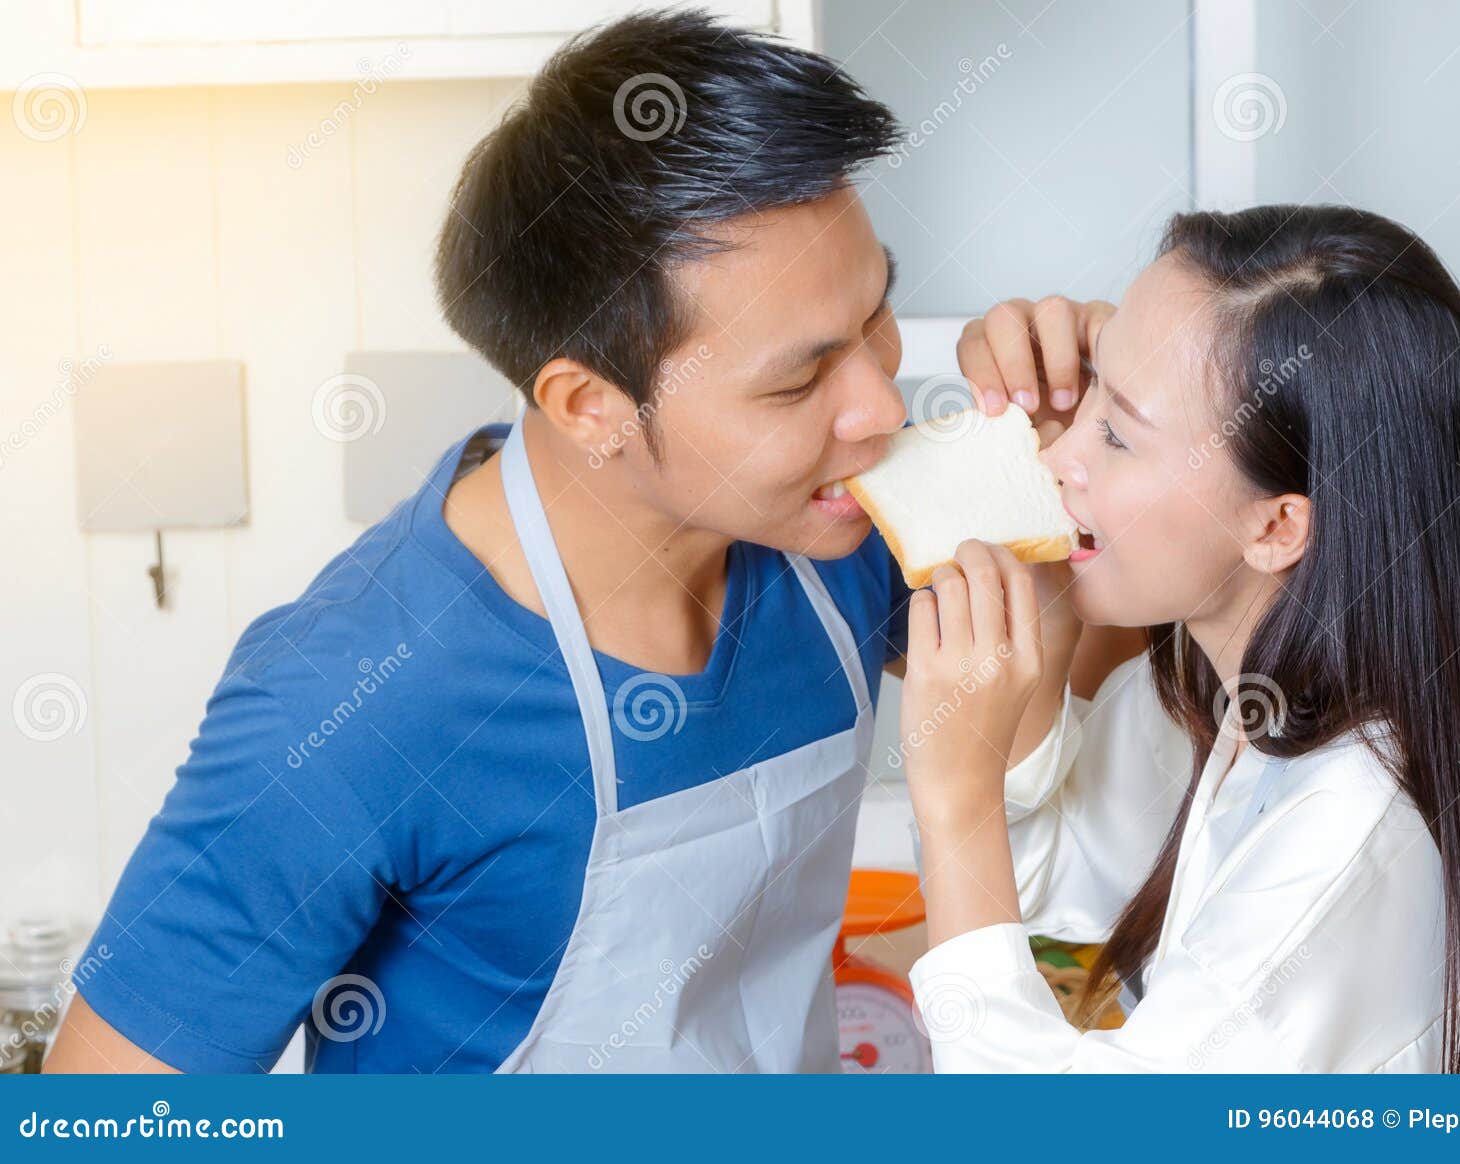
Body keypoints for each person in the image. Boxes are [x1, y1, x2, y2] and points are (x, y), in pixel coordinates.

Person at [46, 10, 1099, 1074]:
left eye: (877, 314)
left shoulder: (843, 533)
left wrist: (1084, 453)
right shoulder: (353, 695)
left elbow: (1079, 748)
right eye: (797, 379)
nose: (878, 407)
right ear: (590, 406)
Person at [899, 204, 1460, 1072]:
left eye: (1115, 432)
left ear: (1275, 527)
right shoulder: (1238, 700)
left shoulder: (1344, 838)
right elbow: (1047, 893)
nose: (1052, 460)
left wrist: (955, 796)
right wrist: (1040, 634)